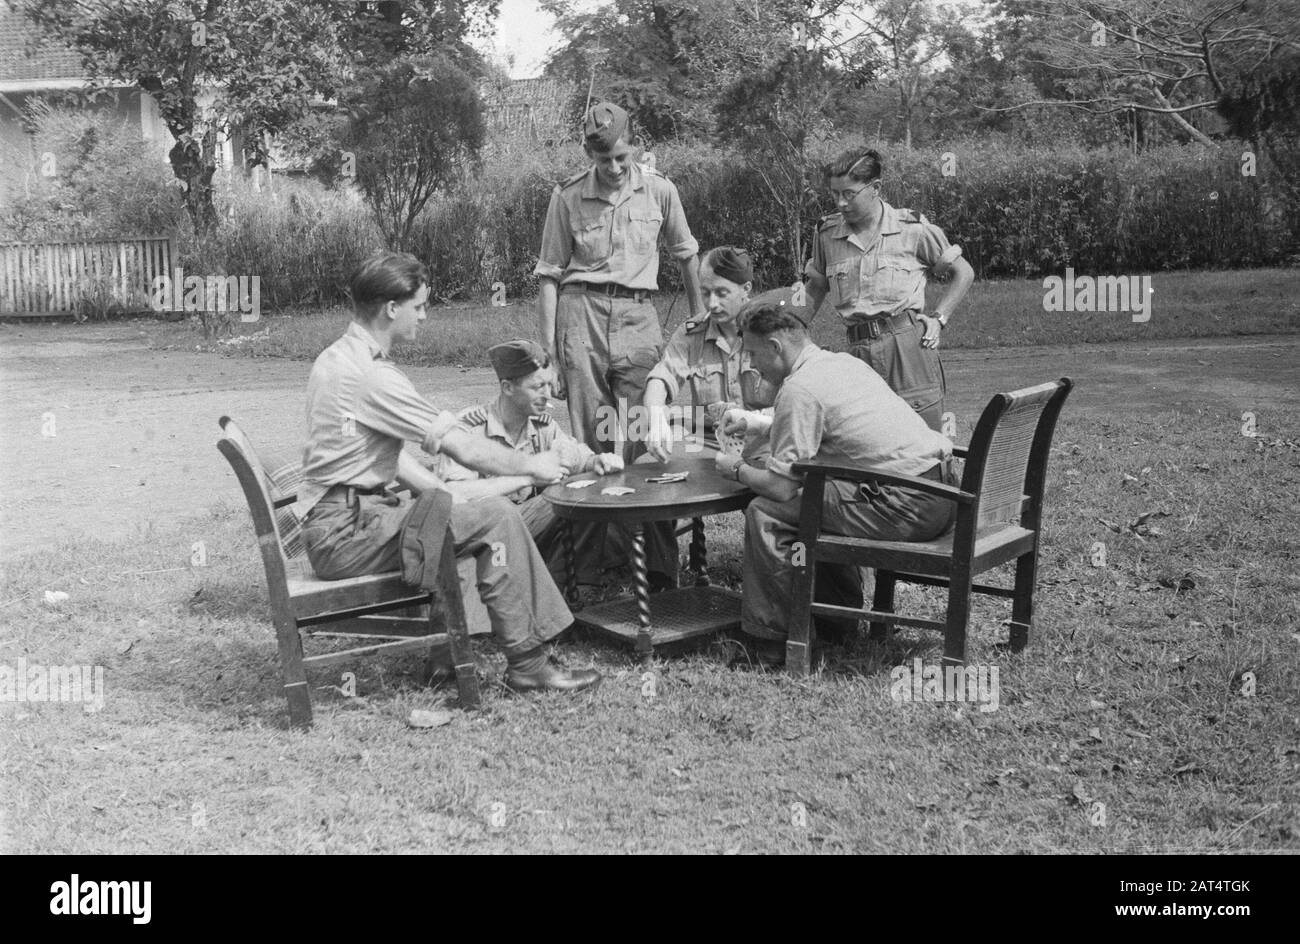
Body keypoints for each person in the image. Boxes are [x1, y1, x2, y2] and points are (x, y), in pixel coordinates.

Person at [296, 251, 600, 693]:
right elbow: (463, 445)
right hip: (348, 532)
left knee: (450, 511)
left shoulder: (335, 359)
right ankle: (529, 662)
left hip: (347, 522)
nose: (425, 315)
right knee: (495, 516)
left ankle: (445, 658)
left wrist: (438, 491)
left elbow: (374, 453)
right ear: (391, 309)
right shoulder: (372, 376)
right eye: (419, 306)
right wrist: (532, 466)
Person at [713, 287, 957, 656]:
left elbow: (779, 487)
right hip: (943, 492)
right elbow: (839, 430)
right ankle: (835, 623)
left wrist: (735, 468)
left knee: (766, 512)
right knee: (817, 492)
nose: (751, 363)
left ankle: (773, 641)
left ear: (776, 347)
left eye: (752, 352)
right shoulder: (839, 363)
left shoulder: (800, 390)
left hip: (908, 508)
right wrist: (760, 425)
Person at [534, 100, 704, 590]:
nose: (613, 168)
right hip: (580, 316)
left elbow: (687, 256)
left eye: (621, 158)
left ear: (635, 147)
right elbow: (548, 276)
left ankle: (656, 569)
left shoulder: (660, 191)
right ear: (590, 155)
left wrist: (696, 324)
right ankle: (587, 570)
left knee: (643, 439)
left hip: (638, 317)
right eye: (603, 159)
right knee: (590, 445)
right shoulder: (566, 197)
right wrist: (547, 357)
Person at [803, 147, 975, 432]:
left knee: (926, 447)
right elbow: (816, 287)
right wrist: (785, 330)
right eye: (834, 195)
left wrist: (939, 317)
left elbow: (963, 272)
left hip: (908, 350)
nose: (841, 203)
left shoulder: (913, 228)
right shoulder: (826, 234)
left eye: (849, 194)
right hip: (857, 353)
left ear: (876, 188)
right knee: (867, 443)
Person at [430, 338, 624, 587]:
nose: (548, 394)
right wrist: (526, 478)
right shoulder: (468, 429)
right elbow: (454, 494)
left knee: (589, 489)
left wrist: (596, 461)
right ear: (508, 387)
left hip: (519, 531)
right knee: (563, 501)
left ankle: (562, 587)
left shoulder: (541, 424)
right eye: (538, 387)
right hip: (482, 535)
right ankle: (555, 590)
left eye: (549, 384)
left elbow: (574, 456)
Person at [642, 246, 777, 462]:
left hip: (765, 442)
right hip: (709, 443)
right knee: (647, 464)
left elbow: (798, 397)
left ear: (746, 289)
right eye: (705, 292)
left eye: (721, 293)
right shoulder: (691, 334)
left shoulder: (772, 330)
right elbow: (661, 378)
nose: (712, 304)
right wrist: (657, 419)